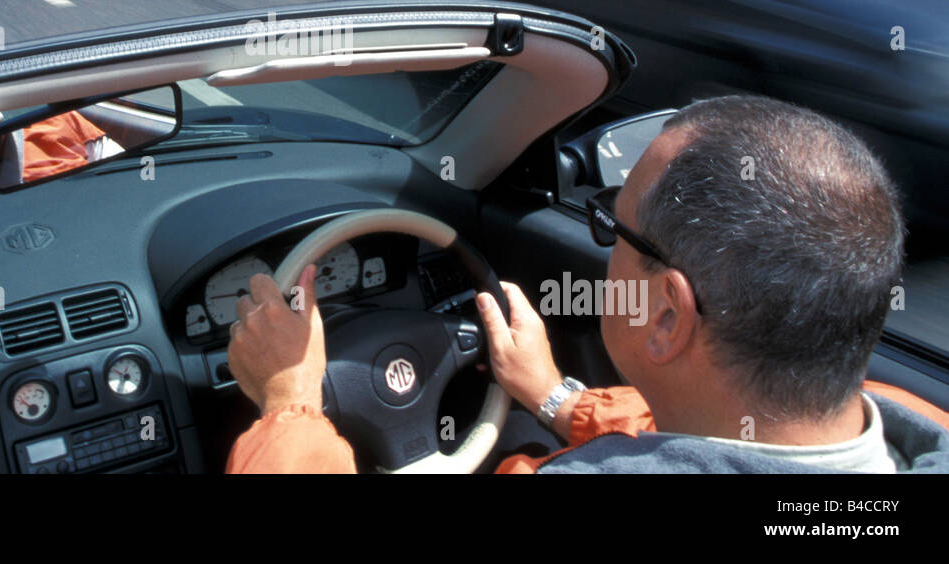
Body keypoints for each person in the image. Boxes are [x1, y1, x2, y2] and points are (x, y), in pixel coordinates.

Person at [224, 95, 949, 473]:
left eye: (616, 231)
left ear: (667, 317)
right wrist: (554, 397)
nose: (606, 250)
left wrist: (289, 403)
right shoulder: (918, 427)